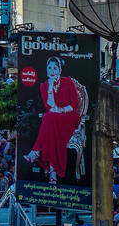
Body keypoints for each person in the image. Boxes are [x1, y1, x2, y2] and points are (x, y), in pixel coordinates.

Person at [22, 56, 80, 185]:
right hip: (54, 119)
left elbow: (74, 105)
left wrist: (61, 110)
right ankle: (53, 172)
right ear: (47, 70)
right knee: (51, 124)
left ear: (59, 70)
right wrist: (50, 88)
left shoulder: (68, 82)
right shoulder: (44, 86)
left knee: (48, 117)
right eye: (49, 68)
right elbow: (49, 107)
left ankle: (36, 151)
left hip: (69, 117)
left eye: (55, 68)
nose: (52, 70)